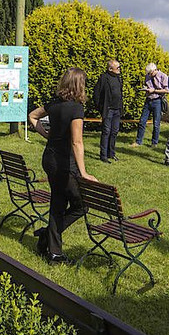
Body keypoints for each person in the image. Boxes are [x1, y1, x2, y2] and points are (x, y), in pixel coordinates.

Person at [29, 68, 99, 263]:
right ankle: (49, 237)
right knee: (81, 204)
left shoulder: (54, 104)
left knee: (58, 202)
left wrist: (46, 135)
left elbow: (32, 116)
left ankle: (53, 250)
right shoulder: (76, 108)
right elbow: (77, 142)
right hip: (63, 163)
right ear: (79, 85)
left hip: (49, 159)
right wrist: (83, 172)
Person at [92, 59, 124, 162]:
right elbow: (96, 94)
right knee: (106, 131)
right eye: (117, 67)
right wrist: (100, 108)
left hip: (117, 109)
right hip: (108, 110)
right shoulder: (104, 78)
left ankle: (111, 153)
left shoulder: (119, 78)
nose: (119, 69)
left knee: (114, 131)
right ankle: (103, 156)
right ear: (110, 68)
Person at [132, 63, 168, 147]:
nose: (149, 75)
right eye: (148, 73)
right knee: (142, 121)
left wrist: (154, 90)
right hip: (148, 100)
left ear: (154, 70)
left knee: (156, 123)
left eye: (150, 73)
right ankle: (138, 141)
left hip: (158, 101)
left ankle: (154, 143)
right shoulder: (147, 76)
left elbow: (167, 90)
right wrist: (146, 89)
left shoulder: (163, 76)